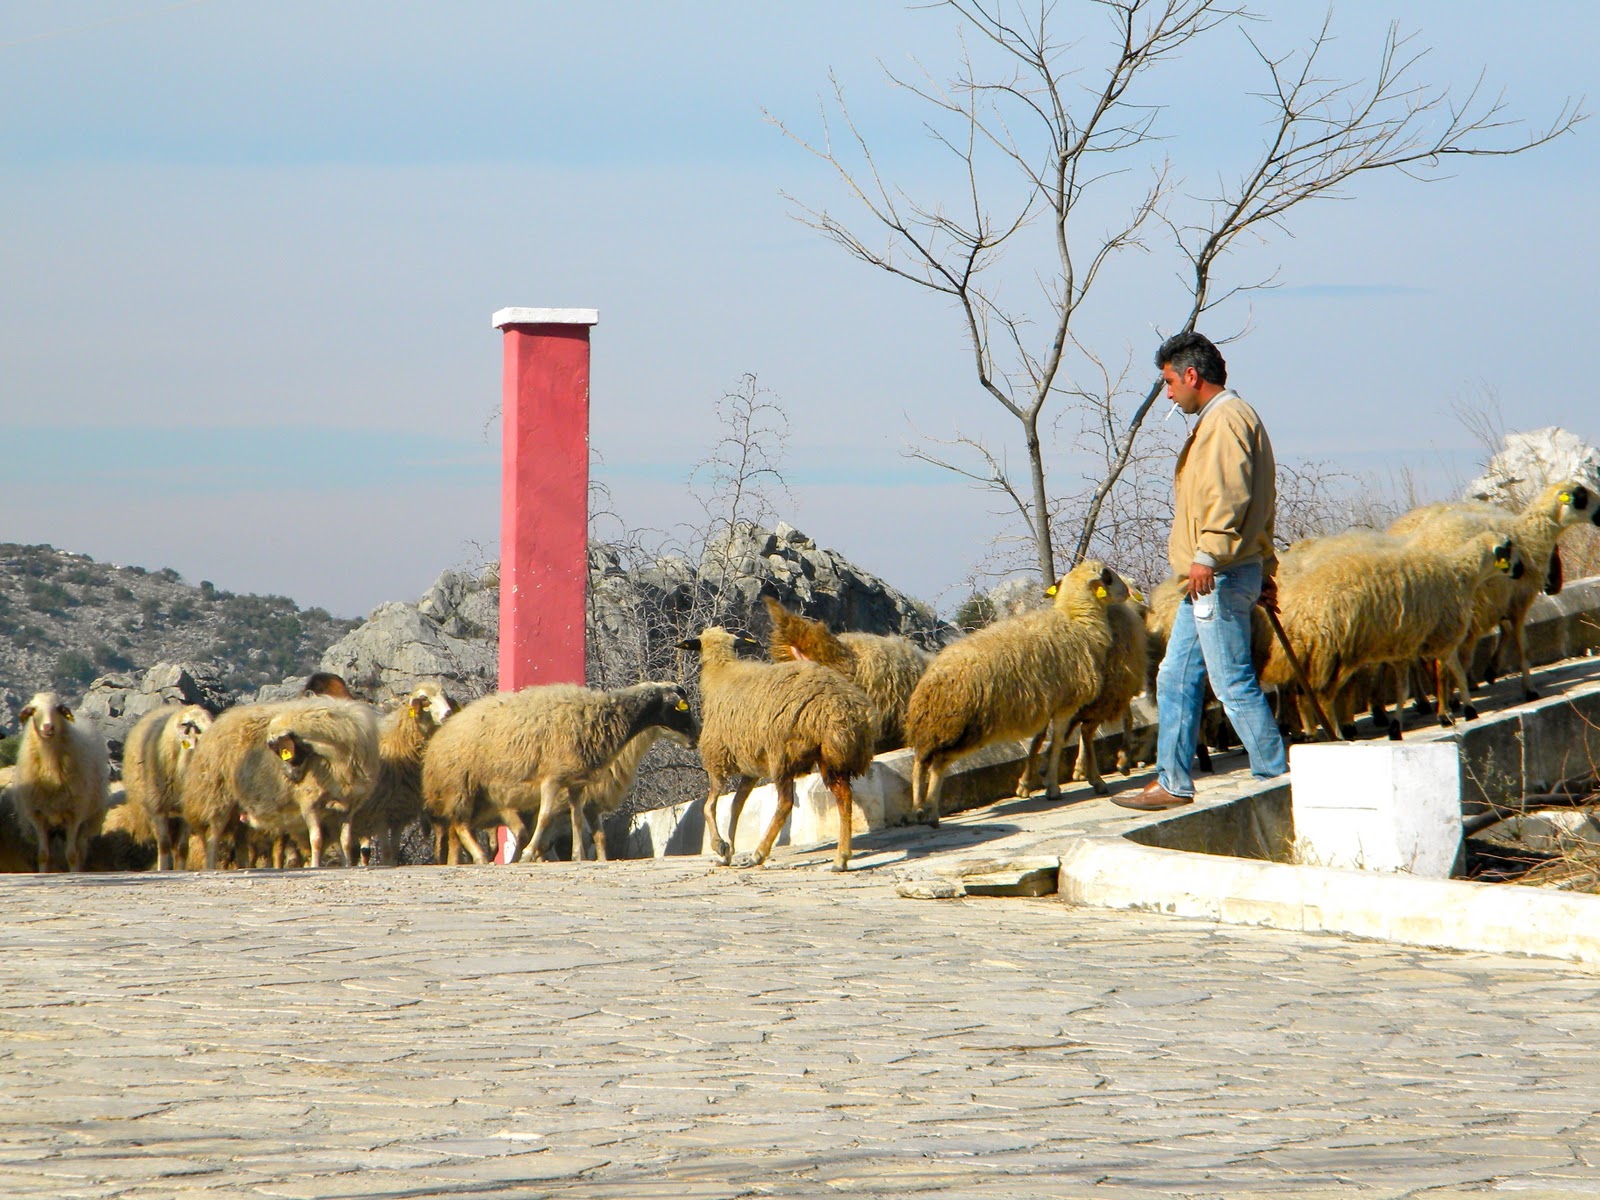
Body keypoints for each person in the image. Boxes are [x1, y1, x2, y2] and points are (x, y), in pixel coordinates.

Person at [1114, 331, 1286, 811]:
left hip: (1217, 573)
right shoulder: (1227, 419)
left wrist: (1208, 555)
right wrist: (1264, 566)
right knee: (1174, 676)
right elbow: (1262, 502)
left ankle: (1277, 779)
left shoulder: (1226, 420)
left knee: (1231, 680)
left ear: (1192, 375)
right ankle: (1172, 782)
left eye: (1169, 382)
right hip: (1218, 572)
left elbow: (1231, 496)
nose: (1167, 393)